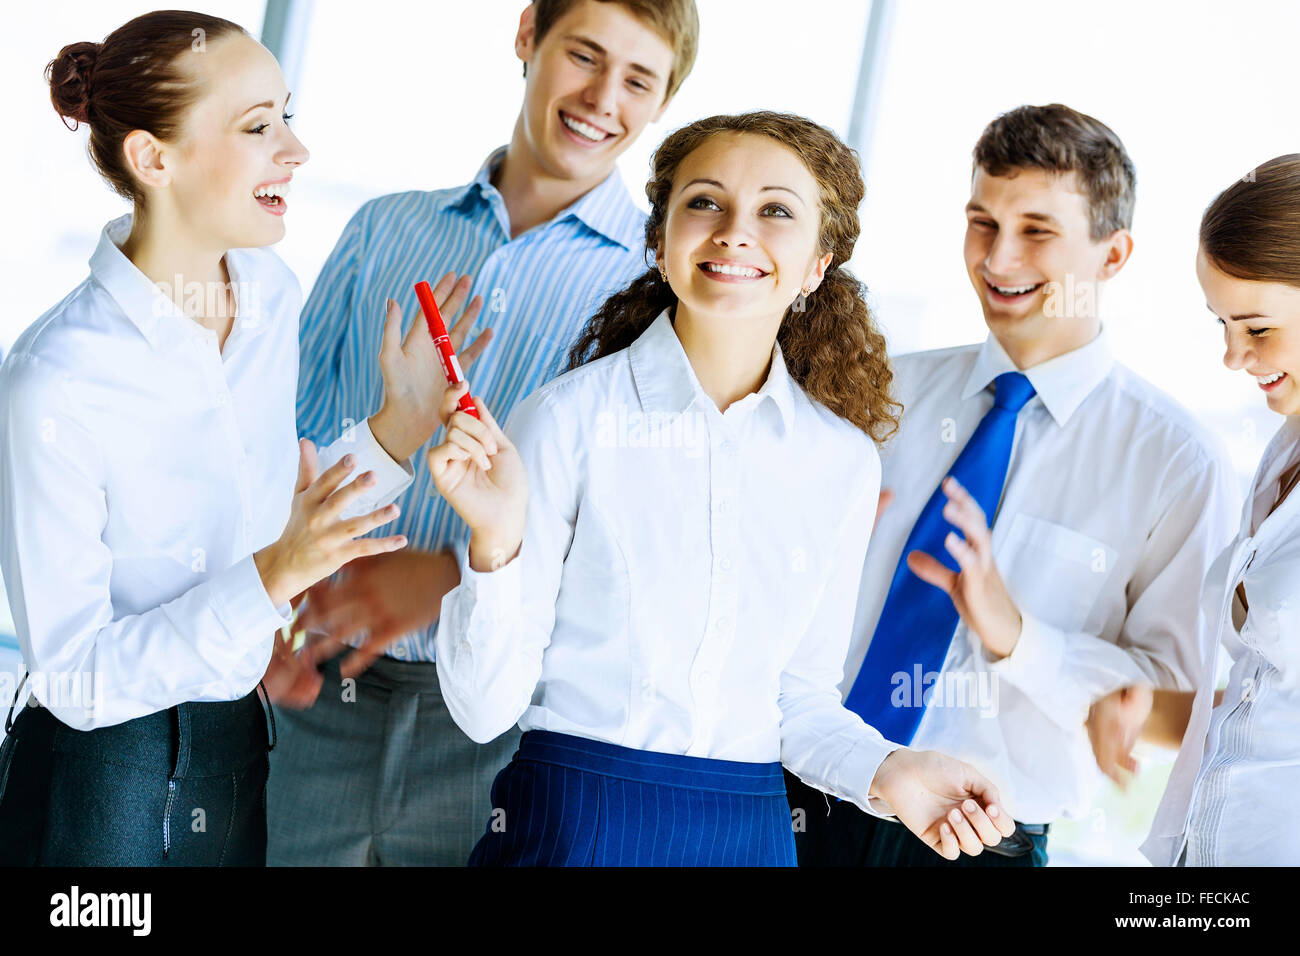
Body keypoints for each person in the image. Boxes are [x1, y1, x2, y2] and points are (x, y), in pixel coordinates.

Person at [427, 110, 1018, 867]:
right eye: (704, 202)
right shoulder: (567, 419)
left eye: (776, 211)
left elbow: (798, 702)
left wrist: (890, 770)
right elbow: (483, 712)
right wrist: (495, 541)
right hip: (575, 827)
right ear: (661, 241)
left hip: (751, 836)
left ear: (816, 265)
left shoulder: (840, 461)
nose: (735, 232)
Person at [0, 11, 454, 865]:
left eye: (289, 115)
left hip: (236, 746)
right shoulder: (54, 377)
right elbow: (71, 679)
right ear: (153, 158)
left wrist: (398, 432)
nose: (295, 151)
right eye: (258, 127)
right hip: (105, 774)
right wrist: (272, 577)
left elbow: (270, 528)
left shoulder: (269, 296)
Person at [266, 0, 700, 866]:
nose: (603, 97)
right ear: (527, 35)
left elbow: (647, 536)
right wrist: (263, 622)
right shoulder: (384, 228)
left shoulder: (659, 297)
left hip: (503, 726)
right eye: (584, 54)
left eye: (639, 79)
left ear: (663, 102)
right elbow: (283, 451)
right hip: (313, 693)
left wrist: (452, 576)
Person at [784, 103, 1240, 867]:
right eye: (982, 222)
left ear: (1114, 255)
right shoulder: (880, 394)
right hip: (798, 791)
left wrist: (1017, 635)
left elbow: (1167, 711)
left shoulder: (1177, 463)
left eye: (1037, 231)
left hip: (980, 842)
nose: (998, 260)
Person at [1089, 156, 1300, 866]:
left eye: (1257, 329)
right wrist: (1145, 710)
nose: (1233, 357)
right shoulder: (1282, 454)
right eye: (1220, 324)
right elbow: (1262, 705)